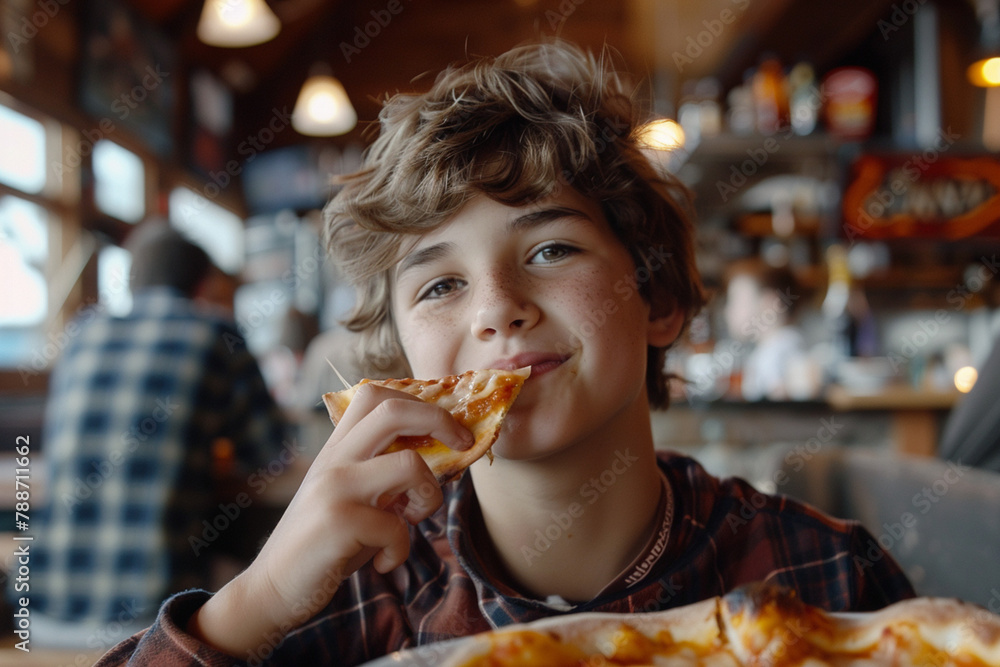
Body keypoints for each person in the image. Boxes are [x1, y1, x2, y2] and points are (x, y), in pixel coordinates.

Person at [97, 41, 914, 666]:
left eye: (552, 249)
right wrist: (256, 602)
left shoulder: (830, 579)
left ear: (659, 298)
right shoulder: (350, 606)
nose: (496, 309)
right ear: (409, 361)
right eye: (439, 286)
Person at [17, 221, 290, 648]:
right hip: (154, 621)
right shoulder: (215, 333)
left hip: (41, 610)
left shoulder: (82, 331)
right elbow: (270, 453)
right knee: (270, 577)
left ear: (130, 280)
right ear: (204, 284)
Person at [722, 258, 810, 401]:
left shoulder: (777, 351)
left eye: (735, 300)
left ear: (769, 304)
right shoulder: (775, 348)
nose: (727, 311)